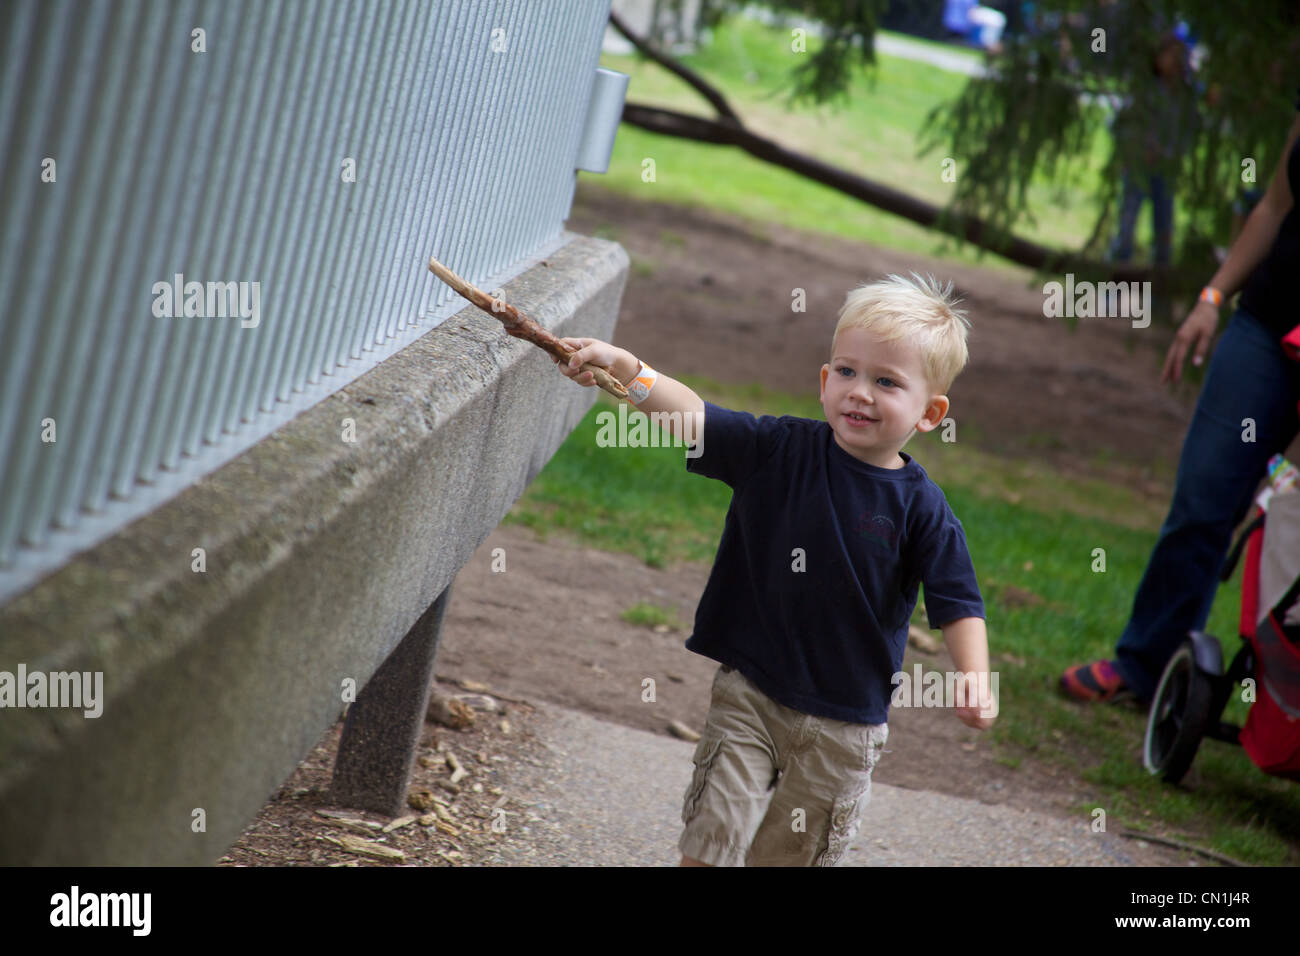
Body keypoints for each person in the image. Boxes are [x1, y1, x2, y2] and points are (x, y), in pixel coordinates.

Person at [551, 274, 991, 866]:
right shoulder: (778, 450)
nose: (859, 392)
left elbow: (957, 599)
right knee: (713, 832)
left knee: (789, 857)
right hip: (750, 697)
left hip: (846, 727)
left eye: (886, 381)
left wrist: (974, 676)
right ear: (824, 380)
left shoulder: (922, 509)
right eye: (847, 372)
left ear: (931, 411)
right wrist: (630, 370)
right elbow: (696, 419)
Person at [1061, 87, 1300, 704]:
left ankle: (1274, 703)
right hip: (1268, 327)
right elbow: (1275, 205)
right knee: (1203, 499)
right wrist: (1212, 298)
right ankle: (1146, 668)